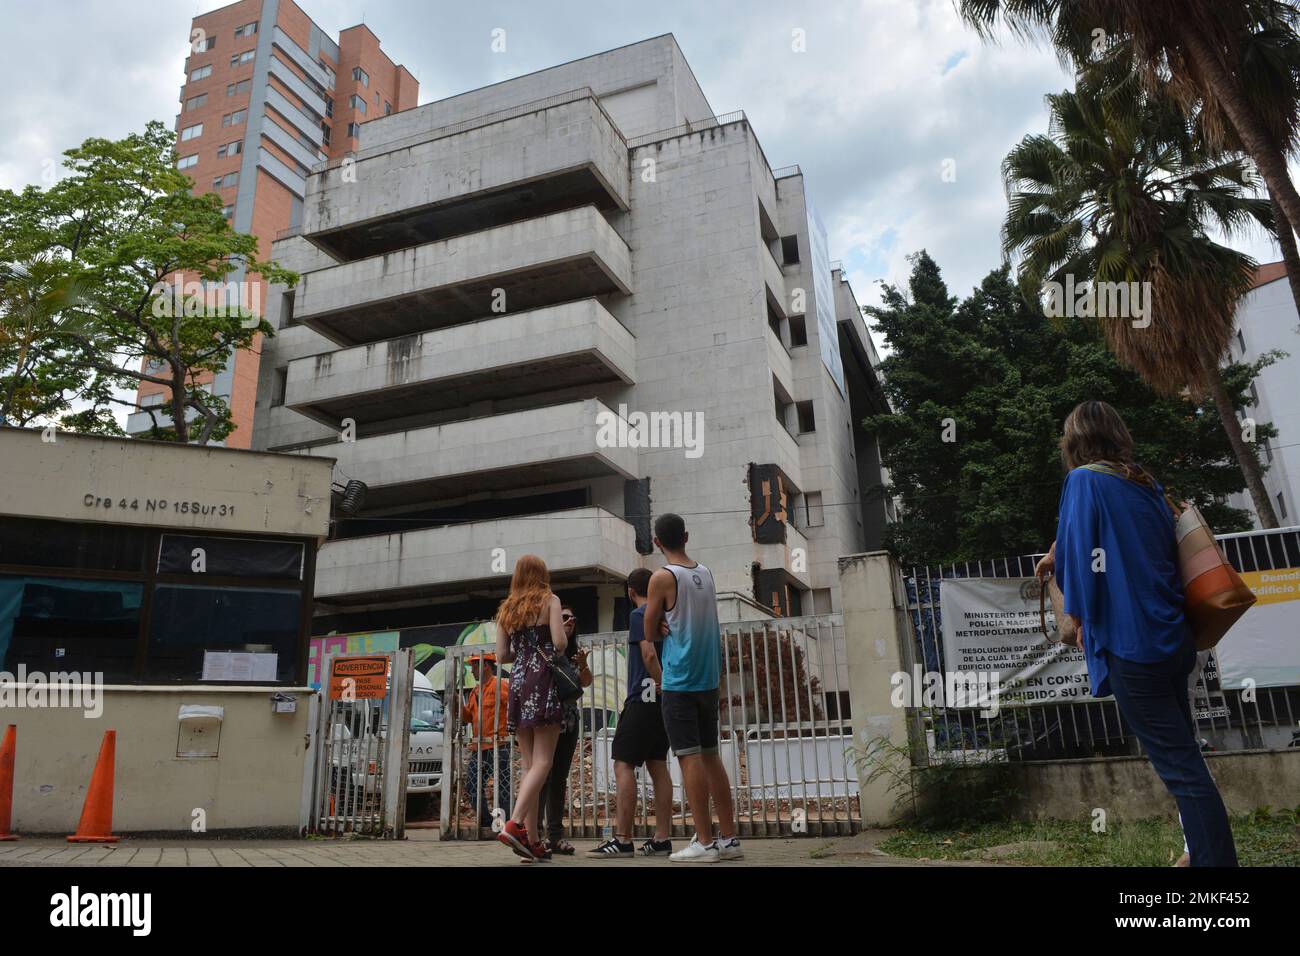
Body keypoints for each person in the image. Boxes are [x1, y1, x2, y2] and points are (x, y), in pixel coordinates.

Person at [1036, 400, 1237, 867]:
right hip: (1174, 639)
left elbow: (1082, 557)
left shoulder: (1084, 480)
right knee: (1186, 761)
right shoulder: (1145, 484)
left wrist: (1081, 618)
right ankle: (1205, 856)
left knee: (1183, 769)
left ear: (1074, 442)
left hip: (1132, 644)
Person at [642, 513, 742, 862]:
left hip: (680, 680)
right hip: (707, 678)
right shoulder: (706, 573)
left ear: (657, 542)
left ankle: (704, 841)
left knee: (689, 757)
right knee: (711, 755)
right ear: (686, 536)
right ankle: (729, 839)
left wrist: (659, 626)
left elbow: (649, 630)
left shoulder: (662, 577)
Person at [591, 567, 675, 857]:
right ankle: (662, 838)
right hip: (662, 703)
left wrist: (660, 681)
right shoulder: (668, 617)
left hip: (643, 696)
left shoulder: (640, 615)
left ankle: (623, 839)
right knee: (657, 764)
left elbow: (648, 653)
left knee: (623, 764)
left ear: (630, 592)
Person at [493, 554, 567, 862]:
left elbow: (500, 656)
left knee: (528, 765)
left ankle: (533, 842)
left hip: (519, 681)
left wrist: (523, 653)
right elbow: (560, 643)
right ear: (542, 574)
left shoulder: (506, 608)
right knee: (544, 762)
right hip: (543, 679)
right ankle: (516, 823)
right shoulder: (550, 600)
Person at [536, 603, 592, 855]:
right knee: (541, 777)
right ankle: (535, 835)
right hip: (548, 719)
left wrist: (583, 665)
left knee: (558, 779)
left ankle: (555, 837)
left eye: (573, 618)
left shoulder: (573, 653)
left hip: (569, 721)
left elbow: (586, 683)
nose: (570, 621)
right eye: (565, 617)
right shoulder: (547, 650)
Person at [461, 653, 512, 829]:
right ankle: (485, 822)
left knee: (503, 787)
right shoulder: (475, 691)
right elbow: (468, 717)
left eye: (474, 666)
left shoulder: (500, 686)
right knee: (472, 785)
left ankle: (505, 824)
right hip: (479, 747)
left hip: (499, 745)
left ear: (485, 666)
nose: (472, 670)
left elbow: (514, 707)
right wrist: (457, 706)